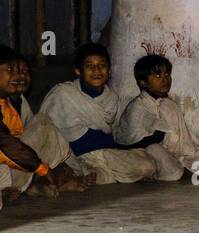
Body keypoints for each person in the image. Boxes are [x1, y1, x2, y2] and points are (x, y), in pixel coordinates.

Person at [38, 43, 157, 185]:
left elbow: (113, 135)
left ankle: (90, 175)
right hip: (71, 156)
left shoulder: (111, 97)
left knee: (147, 164)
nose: (97, 70)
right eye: (89, 66)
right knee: (140, 167)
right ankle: (86, 174)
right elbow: (64, 137)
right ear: (78, 71)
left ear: (109, 71)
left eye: (102, 65)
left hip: (103, 155)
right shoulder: (63, 94)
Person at [116, 54, 199, 181]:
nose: (165, 80)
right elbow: (127, 142)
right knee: (155, 149)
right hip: (149, 155)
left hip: (177, 156)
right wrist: (159, 136)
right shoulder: (137, 107)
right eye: (158, 76)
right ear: (143, 82)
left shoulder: (169, 104)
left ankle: (183, 168)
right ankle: (177, 170)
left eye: (167, 75)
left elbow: (183, 139)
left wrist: (185, 147)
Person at [0, 47, 89, 203]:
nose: (19, 76)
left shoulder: (12, 102)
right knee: (41, 125)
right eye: (10, 69)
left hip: (15, 167)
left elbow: (28, 145)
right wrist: (42, 168)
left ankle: (37, 183)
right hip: (7, 169)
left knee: (41, 131)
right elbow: (7, 146)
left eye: (24, 71)